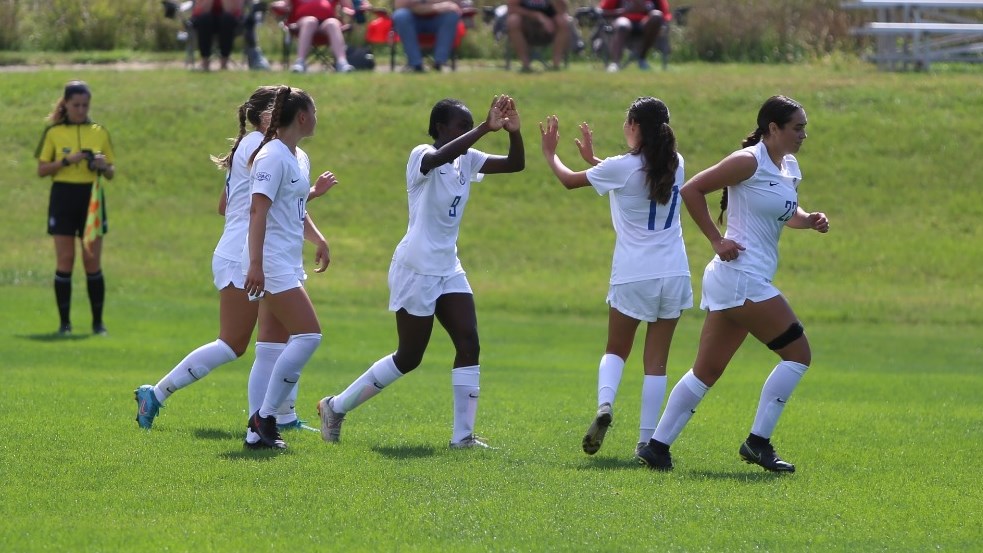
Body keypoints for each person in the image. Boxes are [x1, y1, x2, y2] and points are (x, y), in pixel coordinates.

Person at [316, 95, 524, 449]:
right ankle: (335, 407)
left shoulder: (467, 159)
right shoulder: (421, 154)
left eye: (470, 124)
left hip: (448, 267)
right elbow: (437, 158)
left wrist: (513, 132)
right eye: (460, 125)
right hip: (416, 267)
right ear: (440, 127)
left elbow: (516, 164)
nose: (467, 130)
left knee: (469, 343)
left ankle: (463, 438)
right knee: (409, 357)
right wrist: (483, 128)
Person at [636, 95, 829, 472]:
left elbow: (785, 213)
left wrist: (808, 220)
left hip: (737, 281)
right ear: (773, 128)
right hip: (742, 277)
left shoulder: (788, 166)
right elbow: (691, 190)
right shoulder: (748, 160)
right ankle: (758, 443)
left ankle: (656, 448)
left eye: (804, 128)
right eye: (797, 127)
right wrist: (716, 239)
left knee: (706, 371)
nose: (803, 134)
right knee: (798, 354)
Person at [133, 86, 336, 439]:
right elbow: (256, 206)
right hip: (245, 254)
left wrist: (312, 218)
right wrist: (256, 253)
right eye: (276, 108)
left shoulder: (278, 150)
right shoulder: (259, 147)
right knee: (233, 343)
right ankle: (158, 393)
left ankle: (274, 420)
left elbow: (232, 204)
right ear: (265, 115)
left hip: (264, 252)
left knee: (273, 343)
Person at [540, 97, 691, 459]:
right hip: (675, 272)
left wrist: (550, 154)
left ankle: (605, 404)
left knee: (616, 350)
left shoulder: (622, 167)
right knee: (656, 363)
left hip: (634, 273)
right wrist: (596, 161)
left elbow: (569, 181)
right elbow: (638, 177)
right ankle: (646, 443)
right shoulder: (676, 162)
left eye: (627, 122)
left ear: (635, 126)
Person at [244, 85, 332, 450]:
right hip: (271, 263)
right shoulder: (272, 156)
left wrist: (318, 239)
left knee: (269, 348)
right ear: (302, 117)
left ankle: (255, 435)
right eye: (315, 111)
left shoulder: (300, 157)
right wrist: (255, 264)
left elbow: (295, 206)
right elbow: (257, 211)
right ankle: (265, 416)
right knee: (309, 336)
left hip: (287, 261)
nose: (317, 118)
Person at [35, 80, 116, 336]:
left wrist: (102, 165)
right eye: (76, 105)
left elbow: (111, 172)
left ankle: (98, 324)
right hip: (63, 197)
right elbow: (42, 169)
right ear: (66, 104)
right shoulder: (54, 132)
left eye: (85, 105)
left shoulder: (99, 131)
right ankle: (65, 325)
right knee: (65, 259)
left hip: (91, 199)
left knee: (91, 260)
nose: (81, 110)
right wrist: (66, 161)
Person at [272, 0, 357, 73]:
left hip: (326, 24)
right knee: (310, 21)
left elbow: (348, 7)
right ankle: (300, 62)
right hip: (302, 23)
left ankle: (342, 63)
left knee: (332, 23)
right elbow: (284, 4)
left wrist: (349, 11)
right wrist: (279, 5)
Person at [597, 0, 669, 72]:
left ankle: (642, 58)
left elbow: (665, 16)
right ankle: (615, 63)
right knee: (623, 24)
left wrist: (646, 10)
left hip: (645, 25)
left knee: (656, 15)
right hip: (621, 23)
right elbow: (601, 12)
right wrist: (622, 11)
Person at [392, 0, 462, 72]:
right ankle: (415, 64)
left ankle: (440, 63)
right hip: (411, 20)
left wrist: (421, 4)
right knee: (400, 15)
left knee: (451, 15)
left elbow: (454, 4)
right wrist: (435, 6)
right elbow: (400, 5)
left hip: (438, 19)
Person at [505, 0, 571, 72]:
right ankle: (525, 65)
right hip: (526, 26)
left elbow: (563, 10)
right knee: (513, 20)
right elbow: (511, 8)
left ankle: (556, 65)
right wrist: (537, 15)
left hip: (550, 28)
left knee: (563, 20)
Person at [192, 0, 244, 71]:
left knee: (226, 19)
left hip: (229, 21)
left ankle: (224, 62)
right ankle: (205, 61)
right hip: (206, 20)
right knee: (205, 19)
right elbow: (203, 10)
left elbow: (229, 10)